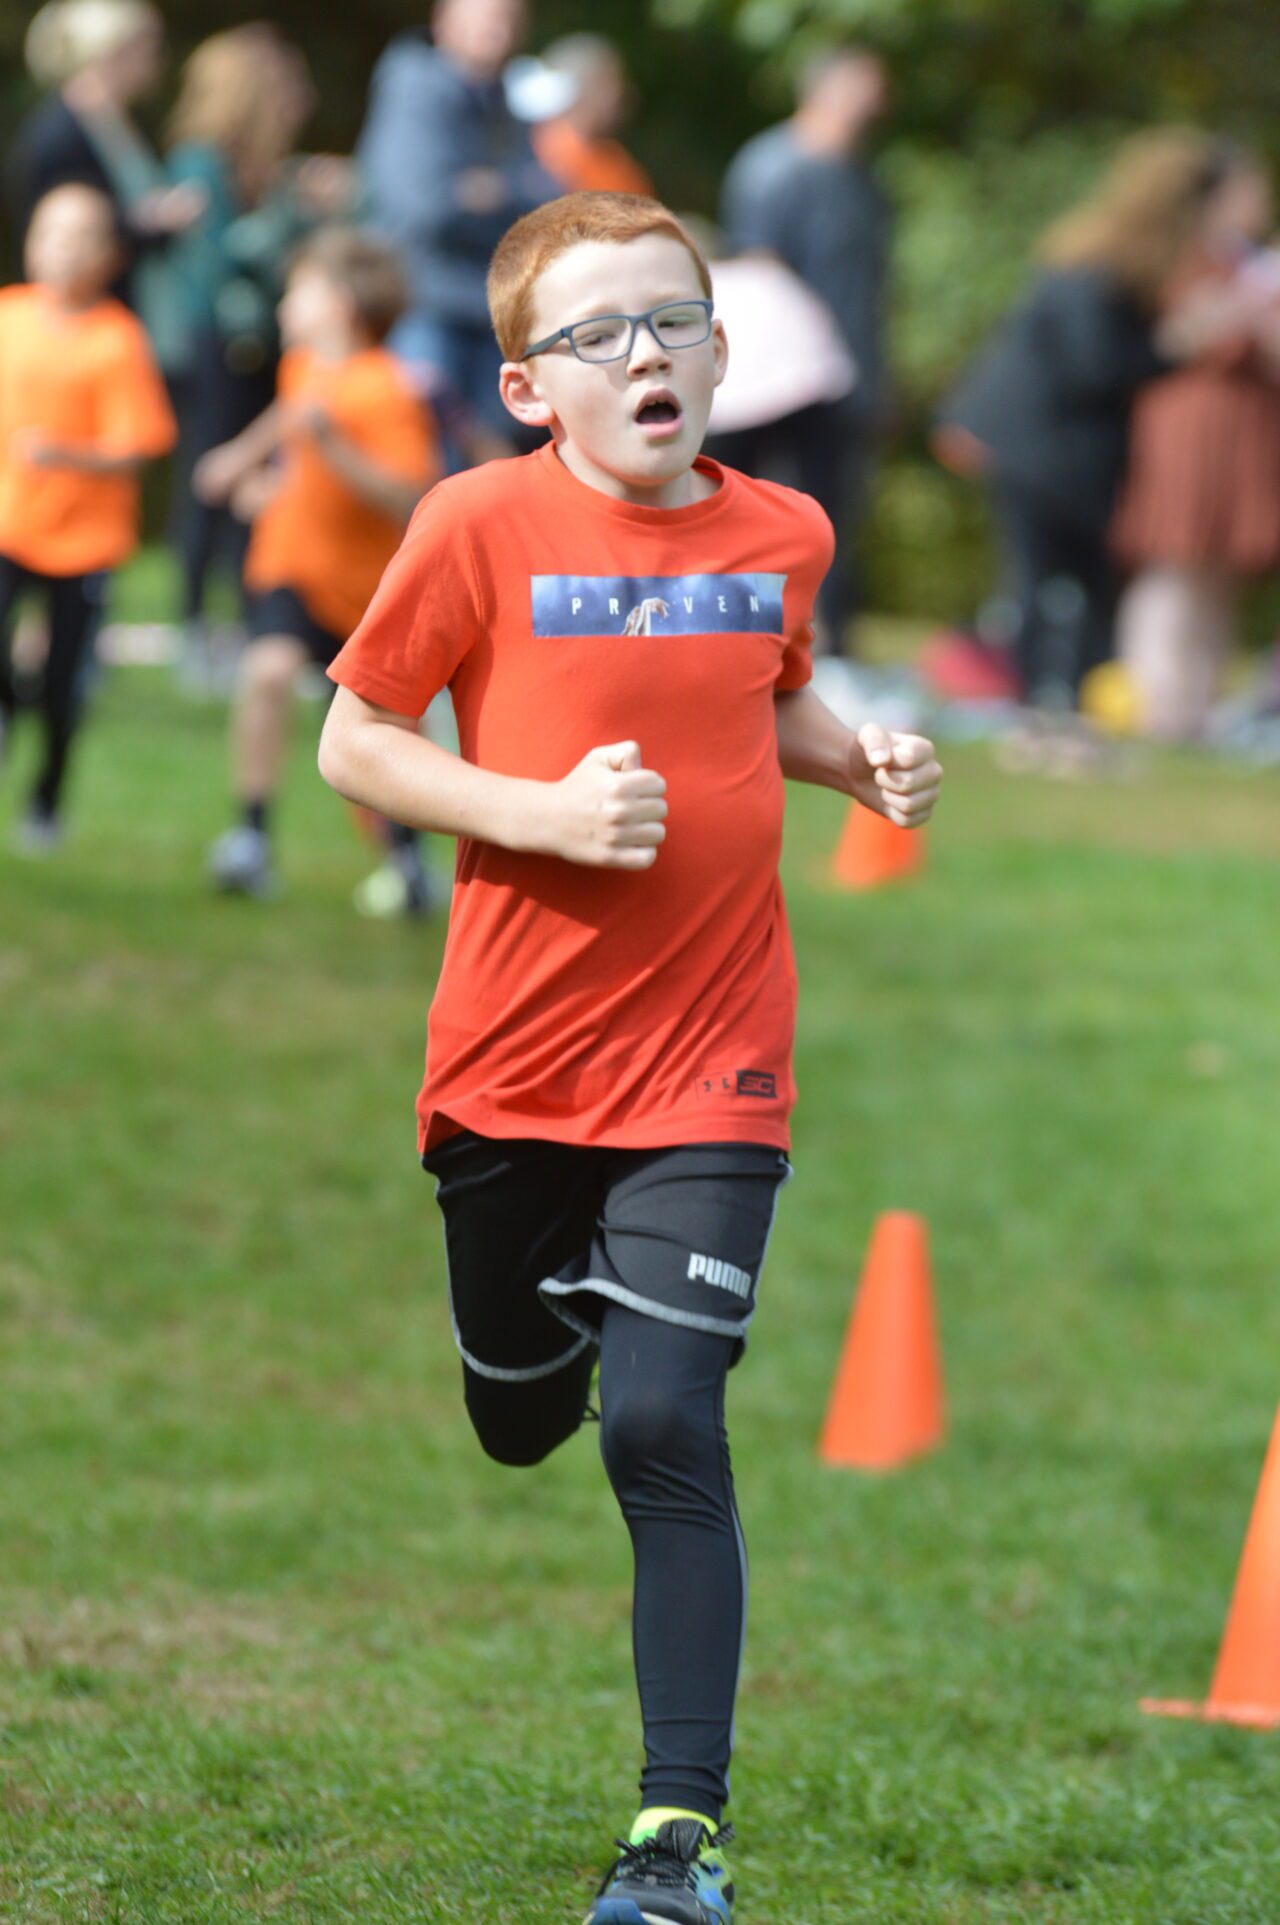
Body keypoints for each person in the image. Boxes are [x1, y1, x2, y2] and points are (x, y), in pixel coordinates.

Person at [316, 190, 942, 1924]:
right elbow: (354, 738)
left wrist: (856, 759)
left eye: (673, 321)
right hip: (510, 1062)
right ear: (530, 384)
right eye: (599, 334)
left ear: (723, 352)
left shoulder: (783, 534)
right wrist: (532, 811)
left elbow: (768, 695)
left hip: (714, 1054)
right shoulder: (474, 526)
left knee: (663, 1418)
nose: (646, 353)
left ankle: (678, 1838)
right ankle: (559, 1314)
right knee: (522, 1418)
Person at [939, 129, 1259, 712]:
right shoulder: (1097, 271)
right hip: (1039, 448)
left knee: (1073, 584)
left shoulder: (1116, 265)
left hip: (1053, 446)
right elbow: (1098, 370)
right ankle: (1047, 705)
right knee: (1052, 585)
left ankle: (1064, 703)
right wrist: (1179, 343)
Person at [197, 227, 439, 908]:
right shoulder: (303, 366)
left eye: (296, 291)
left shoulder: (386, 387)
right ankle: (249, 835)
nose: (282, 306)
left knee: (377, 735)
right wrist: (247, 466)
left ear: (338, 303)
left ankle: (405, 858)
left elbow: (410, 490)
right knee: (267, 672)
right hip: (288, 566)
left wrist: (334, 449)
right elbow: (290, 421)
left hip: (361, 591)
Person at [0, 182, 175, 850]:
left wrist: (64, 455)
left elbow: (137, 448)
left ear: (107, 255)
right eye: (48, 233)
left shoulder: (116, 339)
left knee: (62, 677)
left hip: (82, 538)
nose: (60, 251)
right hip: (10, 522)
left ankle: (46, 799)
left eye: (79, 238)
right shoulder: (9, 315)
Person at [164, 25, 339, 668]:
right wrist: (293, 213)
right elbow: (219, 263)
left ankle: (244, 621)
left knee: (251, 480)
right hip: (215, 342)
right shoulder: (201, 161)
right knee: (206, 478)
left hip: (261, 343)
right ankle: (191, 624)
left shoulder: (268, 170)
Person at [720, 48, 892, 655]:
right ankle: (760, 645)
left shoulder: (860, 174)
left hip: (848, 371)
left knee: (833, 516)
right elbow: (756, 268)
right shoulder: (774, 166)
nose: (875, 97)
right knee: (773, 510)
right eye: (861, 82)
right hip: (786, 375)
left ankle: (826, 648)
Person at [1111, 144, 1280, 739]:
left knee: (1218, 574)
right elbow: (1170, 339)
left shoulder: (1255, 265)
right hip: (1188, 429)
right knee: (1176, 564)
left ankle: (1198, 708)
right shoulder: (1180, 258)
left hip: (1243, 434)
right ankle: (1156, 704)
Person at [356, 0, 559, 454]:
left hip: (485, 309)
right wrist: (512, 196)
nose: (499, 30)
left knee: (489, 457)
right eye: (486, 17)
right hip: (422, 305)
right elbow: (426, 206)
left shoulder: (505, 97)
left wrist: (492, 190)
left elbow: (549, 199)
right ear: (442, 22)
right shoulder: (414, 89)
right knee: (426, 451)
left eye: (509, 19)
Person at [8, 0, 203, 355]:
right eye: (149, 46)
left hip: (123, 316)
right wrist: (156, 225)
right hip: (81, 330)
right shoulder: (62, 134)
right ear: (115, 50)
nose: (157, 58)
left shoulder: (110, 121)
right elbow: (70, 237)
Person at [529, 34, 653, 197]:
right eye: (611, 82)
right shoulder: (543, 154)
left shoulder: (614, 157)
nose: (622, 93)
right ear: (580, 88)